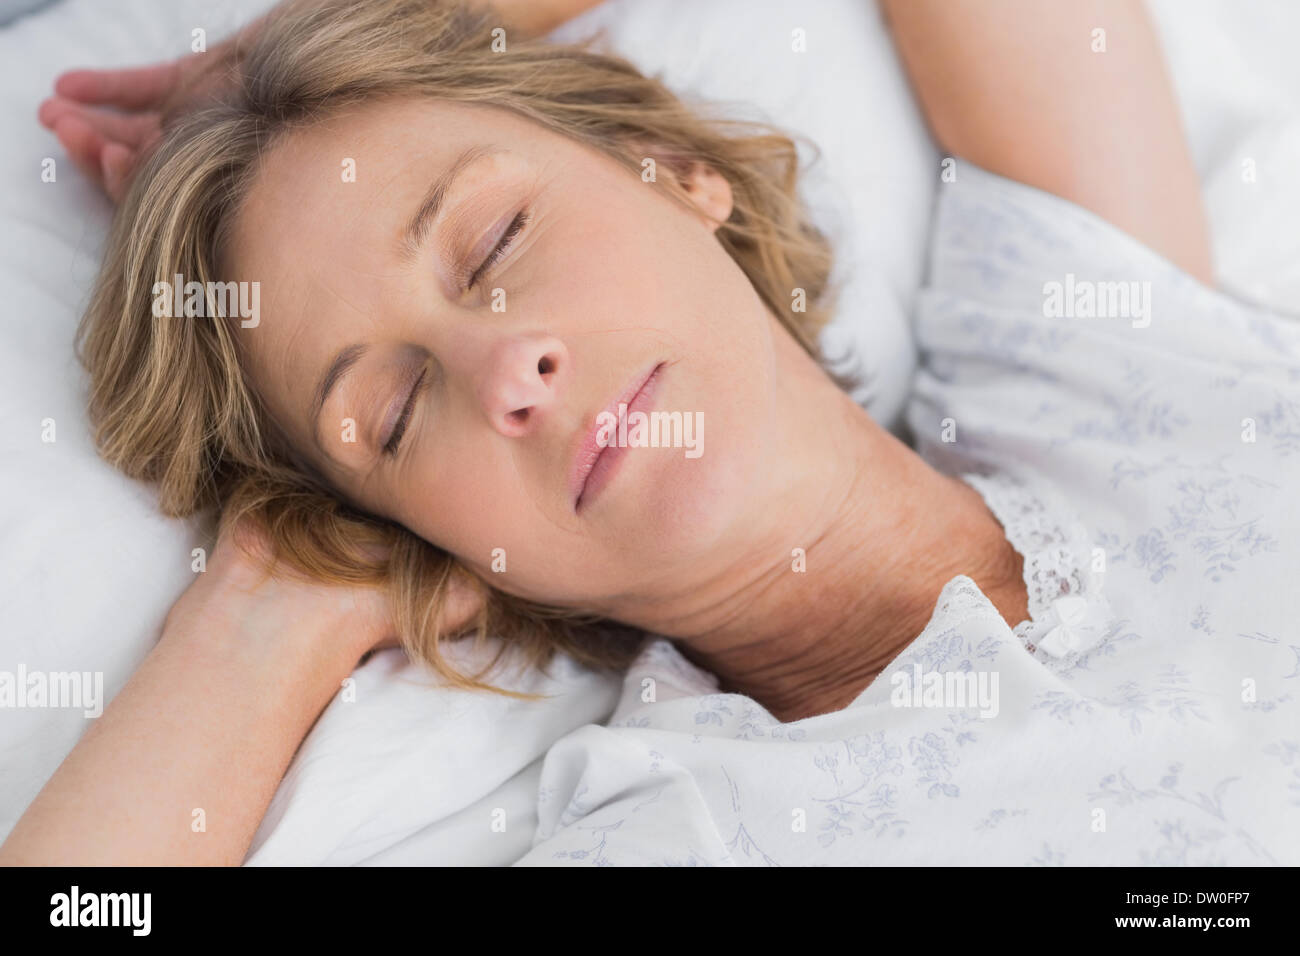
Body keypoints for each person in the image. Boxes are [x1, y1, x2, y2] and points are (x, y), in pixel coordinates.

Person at [3, 0, 1294, 865]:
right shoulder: (677, 831)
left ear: (672, 170)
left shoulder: (1108, 357)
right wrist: (258, 622)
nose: (510, 367)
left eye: (497, 240)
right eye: (393, 415)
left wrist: (385, 23)